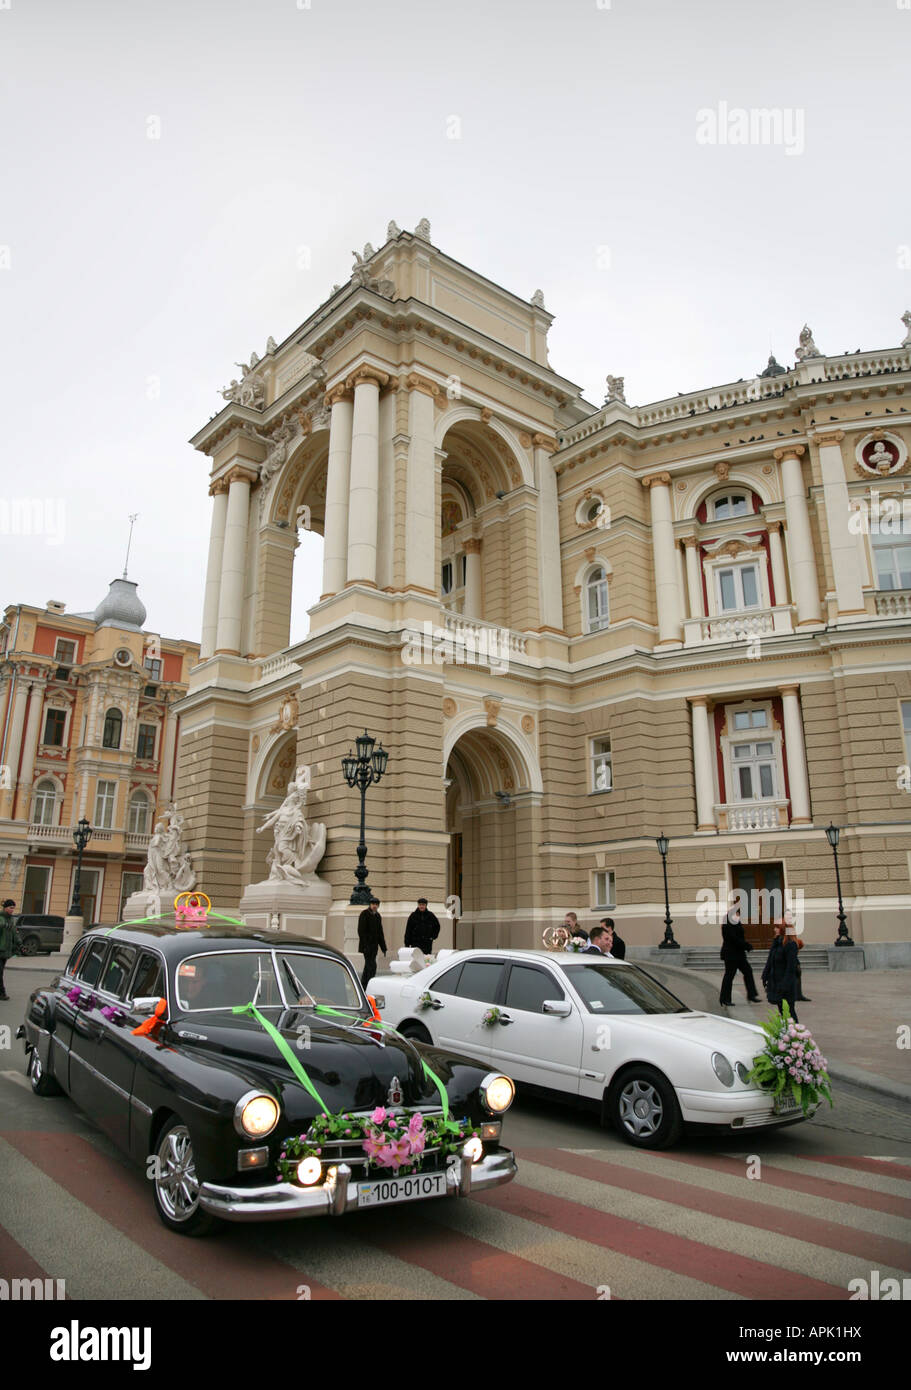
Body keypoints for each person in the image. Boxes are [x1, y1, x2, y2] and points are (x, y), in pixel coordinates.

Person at [719, 902, 760, 1006]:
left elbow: (739, 936)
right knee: (729, 975)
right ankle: (724, 999)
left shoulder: (735, 921)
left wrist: (745, 945)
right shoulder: (728, 923)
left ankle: (751, 995)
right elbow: (734, 939)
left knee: (748, 971)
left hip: (739, 954)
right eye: (737, 912)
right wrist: (747, 946)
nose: (738, 914)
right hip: (731, 954)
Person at [762, 919, 800, 1023]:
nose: (774, 929)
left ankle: (796, 1035)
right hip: (776, 981)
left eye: (777, 927)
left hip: (786, 984)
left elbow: (791, 967)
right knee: (782, 1011)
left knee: (789, 1011)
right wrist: (765, 975)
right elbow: (770, 960)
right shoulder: (777, 942)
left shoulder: (790, 944)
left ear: (783, 929)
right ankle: (787, 1035)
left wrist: (784, 985)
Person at [357, 897, 387, 988]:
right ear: (370, 905)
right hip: (366, 946)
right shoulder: (364, 914)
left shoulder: (378, 916)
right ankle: (370, 985)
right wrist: (366, 945)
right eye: (373, 904)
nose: (374, 906)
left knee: (368, 966)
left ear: (378, 905)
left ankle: (363, 985)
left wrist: (383, 947)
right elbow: (361, 931)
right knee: (372, 966)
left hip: (374, 946)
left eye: (376, 904)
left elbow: (380, 933)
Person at [0, 899, 19, 1000]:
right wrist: (3, 925)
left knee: (1, 972)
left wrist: (20, 944)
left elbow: (14, 934)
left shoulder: (11, 920)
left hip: (6, 951)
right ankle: (2, 993)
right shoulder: (1, 917)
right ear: (5, 908)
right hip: (0, 949)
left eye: (13, 908)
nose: (12, 910)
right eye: (10, 908)